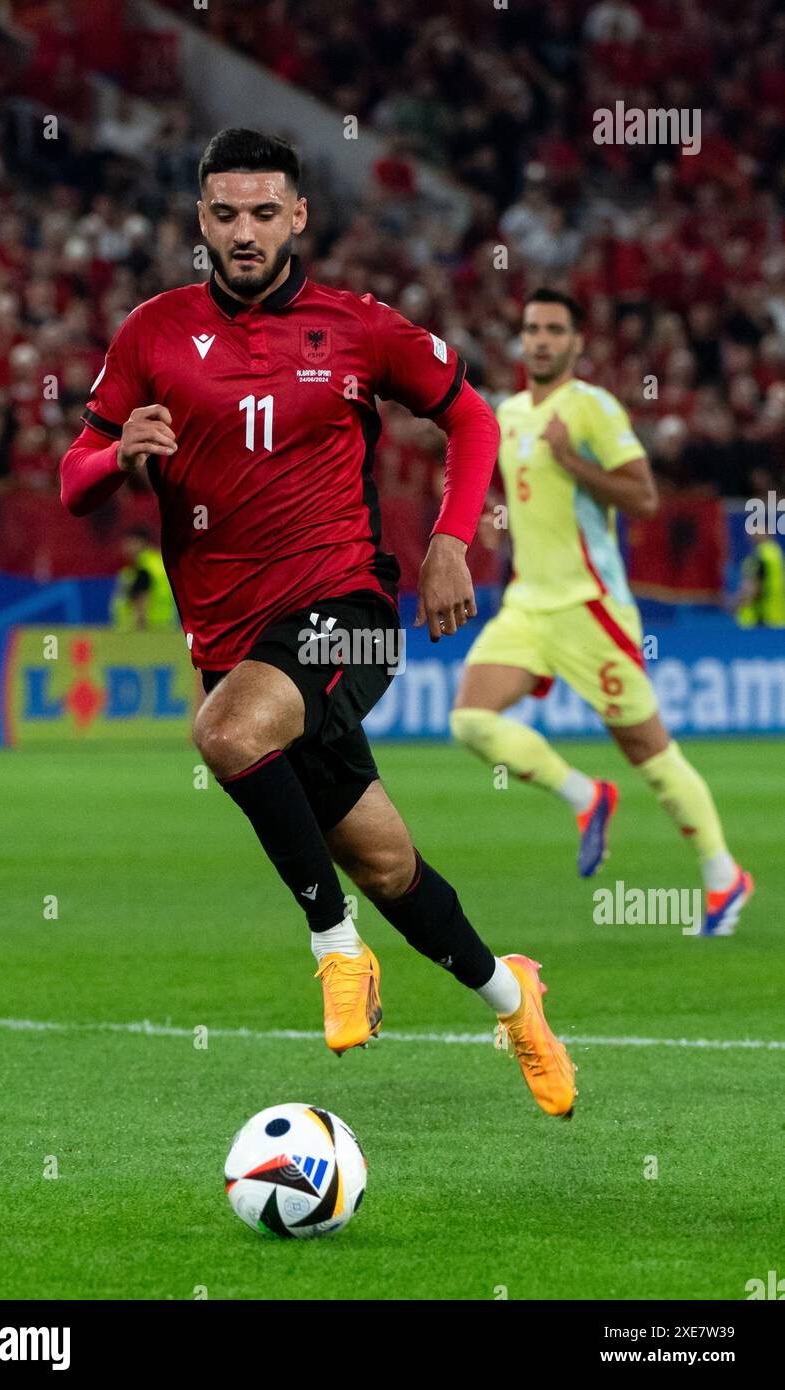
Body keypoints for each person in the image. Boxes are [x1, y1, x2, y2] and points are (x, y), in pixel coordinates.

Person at [60, 128, 577, 1118]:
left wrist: (450, 539)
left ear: (299, 215)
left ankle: (336, 952)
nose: (244, 232)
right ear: (199, 220)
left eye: (264, 212)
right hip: (237, 647)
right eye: (224, 214)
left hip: (351, 611)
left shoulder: (357, 328)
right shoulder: (152, 334)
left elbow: (468, 414)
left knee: (224, 732)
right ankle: (515, 1001)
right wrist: (116, 454)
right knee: (388, 865)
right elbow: (74, 476)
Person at [451, 288, 753, 938]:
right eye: (532, 328)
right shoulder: (507, 415)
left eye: (555, 330)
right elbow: (516, 493)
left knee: (649, 749)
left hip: (592, 610)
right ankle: (586, 796)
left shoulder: (591, 408)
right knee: (470, 720)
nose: (541, 339)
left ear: (578, 342)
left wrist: (571, 460)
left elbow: (644, 498)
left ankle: (723, 874)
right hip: (529, 604)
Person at [111, 526, 177, 630]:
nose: (125, 547)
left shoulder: (143, 569)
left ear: (141, 543)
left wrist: (139, 629)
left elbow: (142, 604)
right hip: (165, 626)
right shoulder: (160, 564)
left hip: (145, 629)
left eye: (129, 542)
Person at [735, 532, 785, 628]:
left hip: (758, 621)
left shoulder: (760, 557)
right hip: (778, 618)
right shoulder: (777, 555)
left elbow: (752, 589)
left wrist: (735, 604)